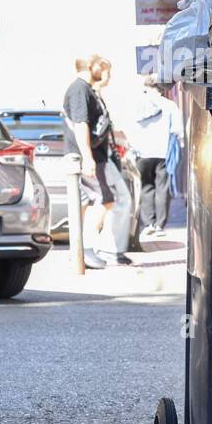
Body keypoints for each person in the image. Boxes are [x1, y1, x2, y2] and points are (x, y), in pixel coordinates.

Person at [63, 55, 132, 268]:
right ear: (92, 66)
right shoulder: (79, 90)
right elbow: (81, 124)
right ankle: (87, 249)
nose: (105, 74)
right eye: (103, 69)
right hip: (92, 156)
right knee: (103, 201)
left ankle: (88, 250)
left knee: (99, 201)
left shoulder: (86, 89)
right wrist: (88, 157)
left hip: (96, 156)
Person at [125, 77, 183, 237]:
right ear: (161, 88)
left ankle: (148, 222)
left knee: (145, 187)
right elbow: (178, 130)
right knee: (162, 188)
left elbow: (130, 129)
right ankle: (159, 225)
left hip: (142, 153)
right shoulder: (170, 105)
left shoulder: (138, 104)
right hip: (163, 152)